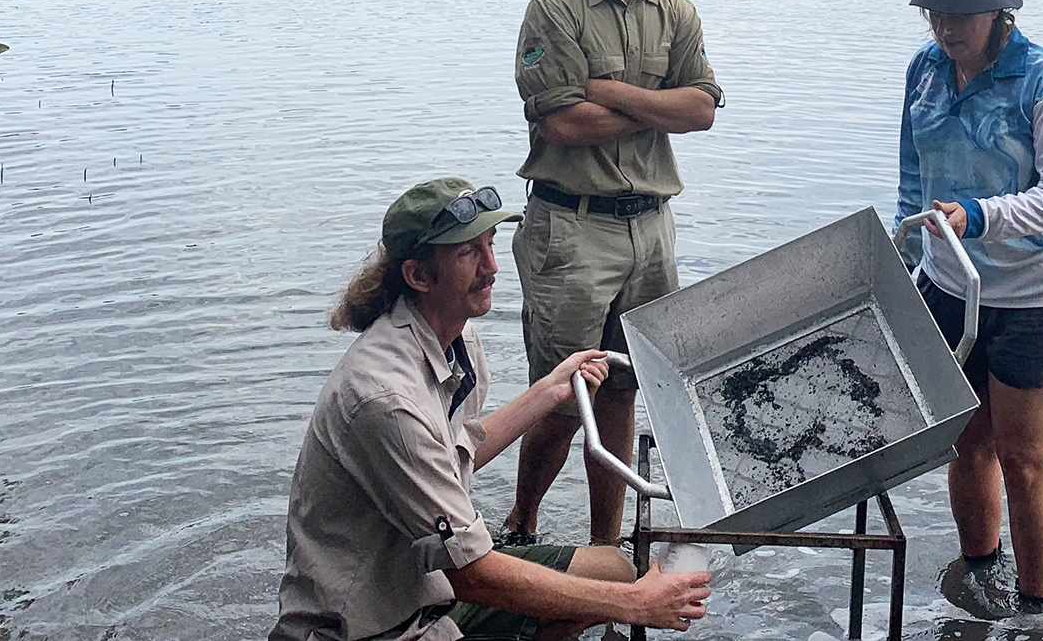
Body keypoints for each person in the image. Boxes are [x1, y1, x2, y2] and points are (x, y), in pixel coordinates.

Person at [269, 177, 712, 641]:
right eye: (468, 254)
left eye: (491, 244)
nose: (492, 267)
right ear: (418, 276)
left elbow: (457, 454)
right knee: (618, 592)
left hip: (428, 583)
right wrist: (637, 605)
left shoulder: (456, 340)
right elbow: (473, 575)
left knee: (613, 569)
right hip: (368, 626)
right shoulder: (385, 398)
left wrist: (549, 390)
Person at [504, 0, 723, 548]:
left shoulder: (676, 10)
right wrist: (664, 109)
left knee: (624, 389)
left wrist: (614, 92)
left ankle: (607, 545)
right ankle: (523, 522)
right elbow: (563, 124)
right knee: (561, 398)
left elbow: (704, 108)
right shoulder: (555, 9)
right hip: (570, 229)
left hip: (651, 230)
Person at [895, 0, 1043, 610]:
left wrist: (980, 215)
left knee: (1024, 457)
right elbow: (911, 180)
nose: (947, 30)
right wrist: (901, 259)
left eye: (962, 15)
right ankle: (979, 572)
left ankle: (1040, 609)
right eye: (937, 15)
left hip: (1035, 295)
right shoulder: (925, 70)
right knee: (964, 441)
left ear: (998, 13)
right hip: (948, 287)